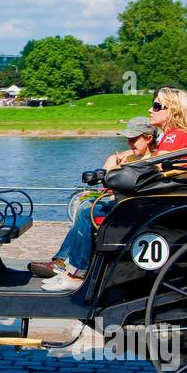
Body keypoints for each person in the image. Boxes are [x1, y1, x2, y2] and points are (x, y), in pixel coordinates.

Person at [39, 91, 187, 291]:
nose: (151, 110)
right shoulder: (176, 135)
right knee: (88, 207)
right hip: (159, 202)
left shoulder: (175, 136)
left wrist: (114, 176)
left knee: (85, 210)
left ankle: (76, 274)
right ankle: (71, 267)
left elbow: (152, 173)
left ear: (174, 110)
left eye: (157, 106)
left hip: (153, 206)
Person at [28, 116, 158, 279]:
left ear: (148, 138)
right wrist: (115, 159)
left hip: (132, 207)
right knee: (85, 206)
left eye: (134, 139)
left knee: (86, 210)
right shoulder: (132, 157)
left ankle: (77, 266)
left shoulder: (154, 159)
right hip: (124, 202)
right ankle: (64, 261)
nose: (130, 143)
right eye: (128, 140)